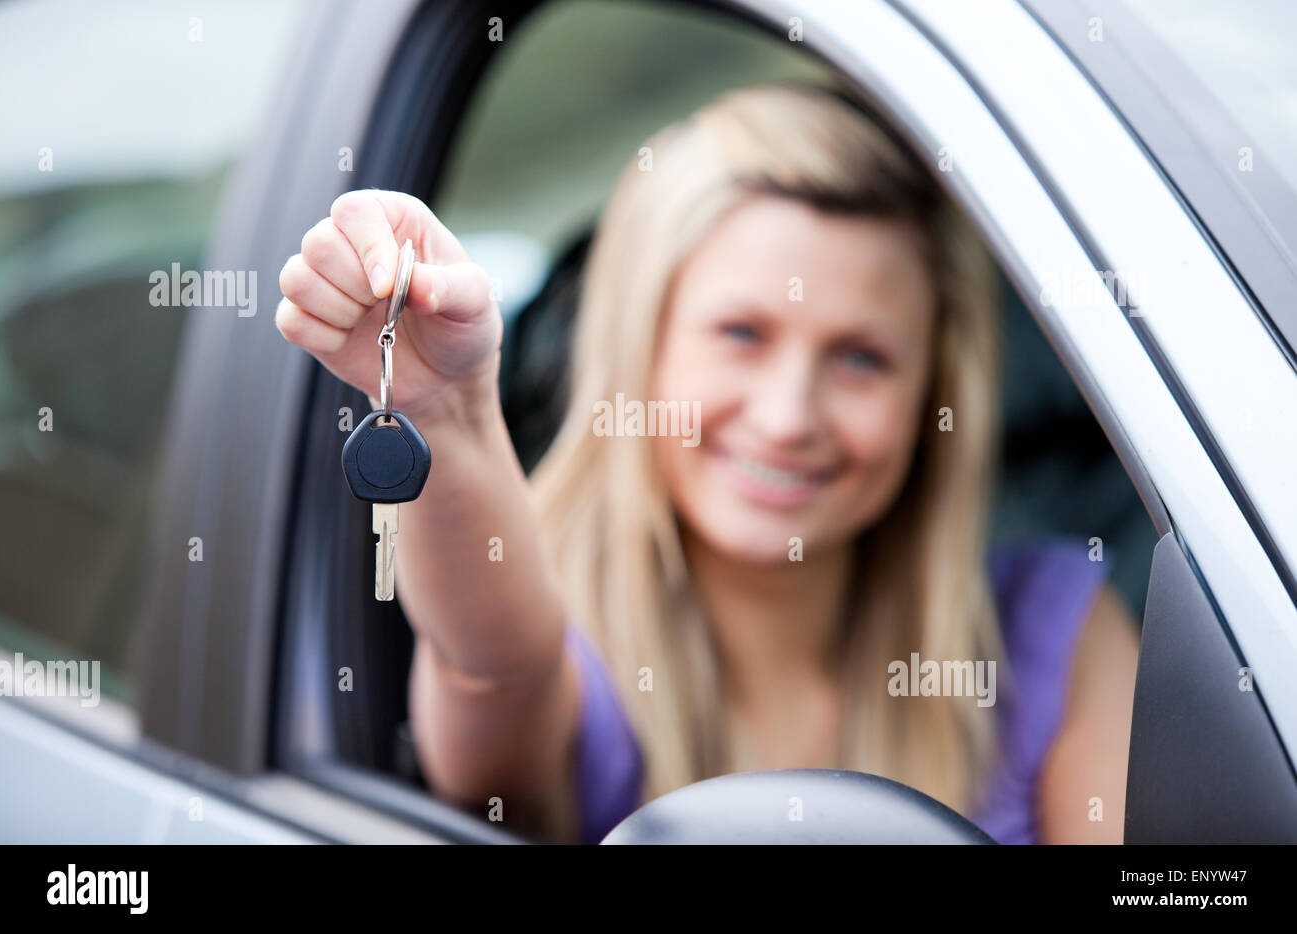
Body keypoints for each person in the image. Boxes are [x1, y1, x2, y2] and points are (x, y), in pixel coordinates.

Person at [275, 82, 1140, 845]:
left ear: (932, 396)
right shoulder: (573, 667)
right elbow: (489, 665)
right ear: (637, 349)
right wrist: (444, 409)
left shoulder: (1055, 637)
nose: (788, 416)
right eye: (741, 335)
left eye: (862, 358)